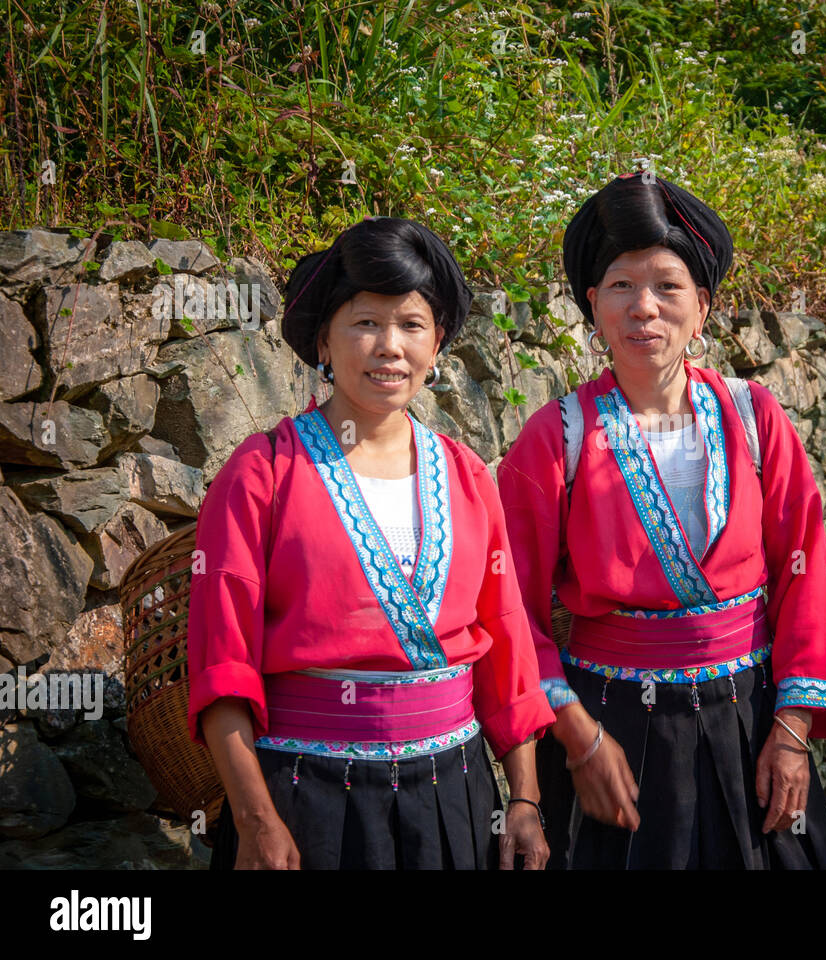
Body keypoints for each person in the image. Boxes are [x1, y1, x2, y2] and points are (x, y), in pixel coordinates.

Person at [497, 174, 826, 868]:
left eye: (668, 286)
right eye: (621, 287)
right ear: (592, 306)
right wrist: (577, 738)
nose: (644, 309)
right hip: (610, 730)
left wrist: (792, 729)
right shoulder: (556, 437)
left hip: (748, 722)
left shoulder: (754, 417)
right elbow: (510, 610)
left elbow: (804, 571)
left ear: (703, 308)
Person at [187, 217, 554, 869]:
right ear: (323, 341)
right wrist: (255, 820)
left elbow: (507, 646)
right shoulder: (261, 474)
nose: (390, 346)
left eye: (412, 325)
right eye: (365, 323)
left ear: (437, 345)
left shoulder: (468, 477)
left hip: (453, 800)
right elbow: (223, 667)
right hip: (307, 802)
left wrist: (523, 799)